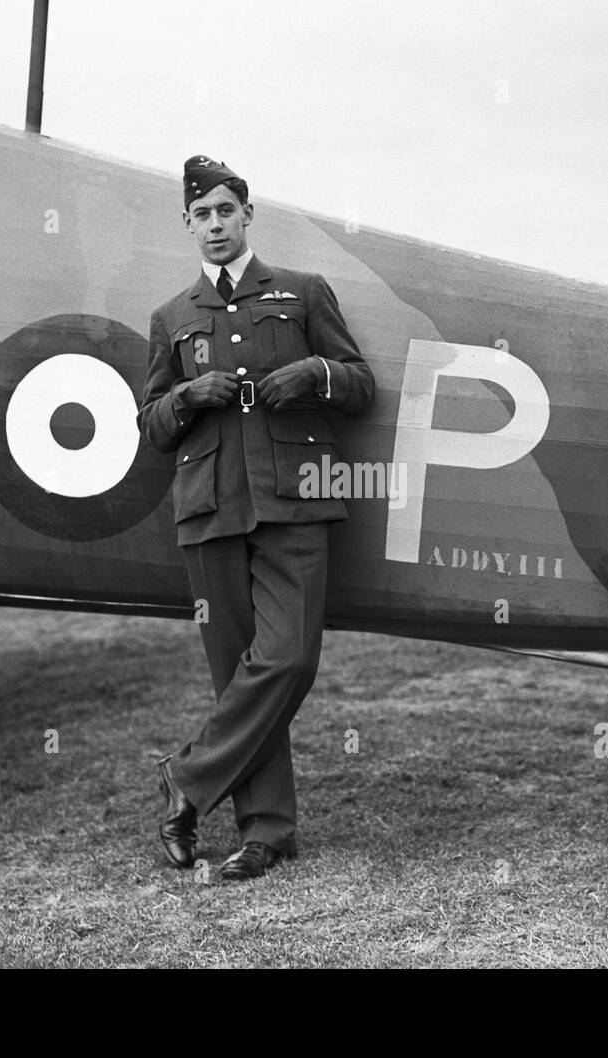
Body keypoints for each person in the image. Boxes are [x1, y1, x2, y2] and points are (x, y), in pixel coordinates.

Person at [139, 156, 375, 880]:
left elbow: (361, 386)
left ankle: (186, 779)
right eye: (201, 216)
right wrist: (186, 398)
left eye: (225, 212)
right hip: (210, 510)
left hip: (295, 499)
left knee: (290, 660)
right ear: (188, 224)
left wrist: (318, 375)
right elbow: (150, 423)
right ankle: (266, 834)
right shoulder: (172, 317)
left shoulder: (303, 294)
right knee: (236, 673)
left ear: (247, 216)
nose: (214, 225)